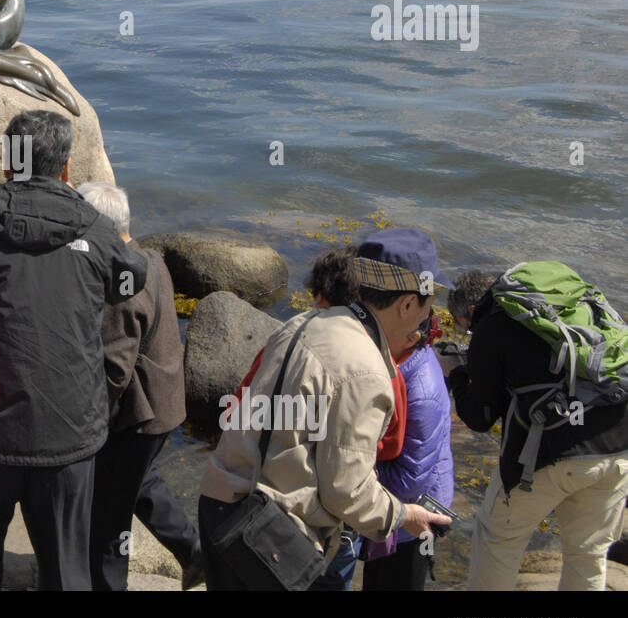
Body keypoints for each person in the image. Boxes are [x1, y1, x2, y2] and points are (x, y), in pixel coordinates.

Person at [0, 110, 148, 591]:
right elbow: (131, 275)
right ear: (67, 168)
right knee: (66, 567)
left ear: (8, 165)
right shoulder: (93, 228)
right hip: (68, 429)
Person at [199, 228, 452, 590]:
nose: (428, 318)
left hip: (223, 504)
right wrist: (403, 514)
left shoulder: (302, 324)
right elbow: (345, 490)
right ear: (408, 303)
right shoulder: (366, 369)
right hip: (272, 536)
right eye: (429, 305)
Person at [444, 268, 628, 590]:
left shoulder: (491, 325)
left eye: (465, 328)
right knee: (588, 553)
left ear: (471, 312)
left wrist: (457, 375)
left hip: (550, 455)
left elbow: (479, 416)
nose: (468, 335)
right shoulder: (569, 307)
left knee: (498, 542)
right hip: (618, 444)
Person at [78, 182, 198, 591]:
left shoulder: (122, 283)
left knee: (108, 519)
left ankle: (108, 584)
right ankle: (194, 552)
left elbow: (114, 369)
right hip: (166, 400)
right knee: (141, 482)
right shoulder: (150, 258)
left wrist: (86, 421)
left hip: (138, 413)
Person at [361, 314, 454, 590]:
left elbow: (410, 481)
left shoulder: (422, 389)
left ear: (412, 338)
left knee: (398, 580)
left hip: (416, 517)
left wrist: (356, 474)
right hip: (393, 508)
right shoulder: (399, 361)